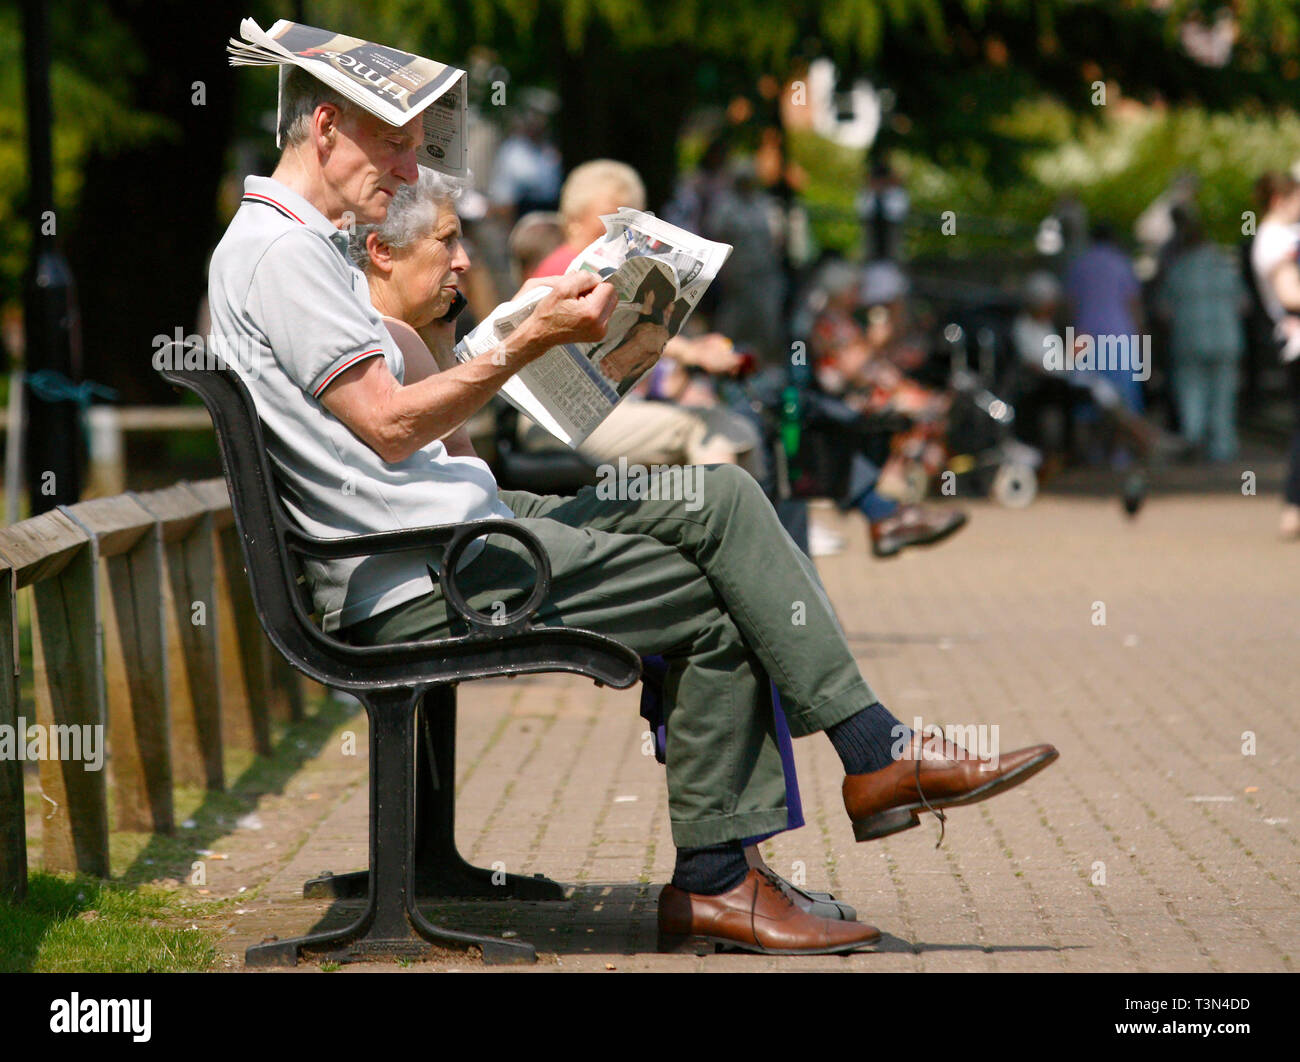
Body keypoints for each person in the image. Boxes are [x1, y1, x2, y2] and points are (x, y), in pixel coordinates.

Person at [208, 56, 1059, 956]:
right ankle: (727, 876)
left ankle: (865, 760)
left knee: (717, 492)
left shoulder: (300, 245)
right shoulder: (284, 256)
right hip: (425, 573)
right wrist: (527, 340)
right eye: (398, 147)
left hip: (463, 527)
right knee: (712, 596)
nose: (412, 171)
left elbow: (417, 420)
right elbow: (384, 426)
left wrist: (523, 335)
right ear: (328, 127)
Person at [1155, 219, 1248, 463]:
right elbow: (1244, 304)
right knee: (1223, 397)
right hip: (1226, 339)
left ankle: (1193, 441)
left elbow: (1164, 311)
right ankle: (1222, 448)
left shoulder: (1179, 268)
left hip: (1188, 340)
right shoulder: (1225, 266)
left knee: (1191, 396)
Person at [1249, 172, 1300, 538]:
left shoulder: (1277, 237)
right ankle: (1292, 507)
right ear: (1280, 199)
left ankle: (1293, 508)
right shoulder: (1274, 239)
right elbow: (1288, 294)